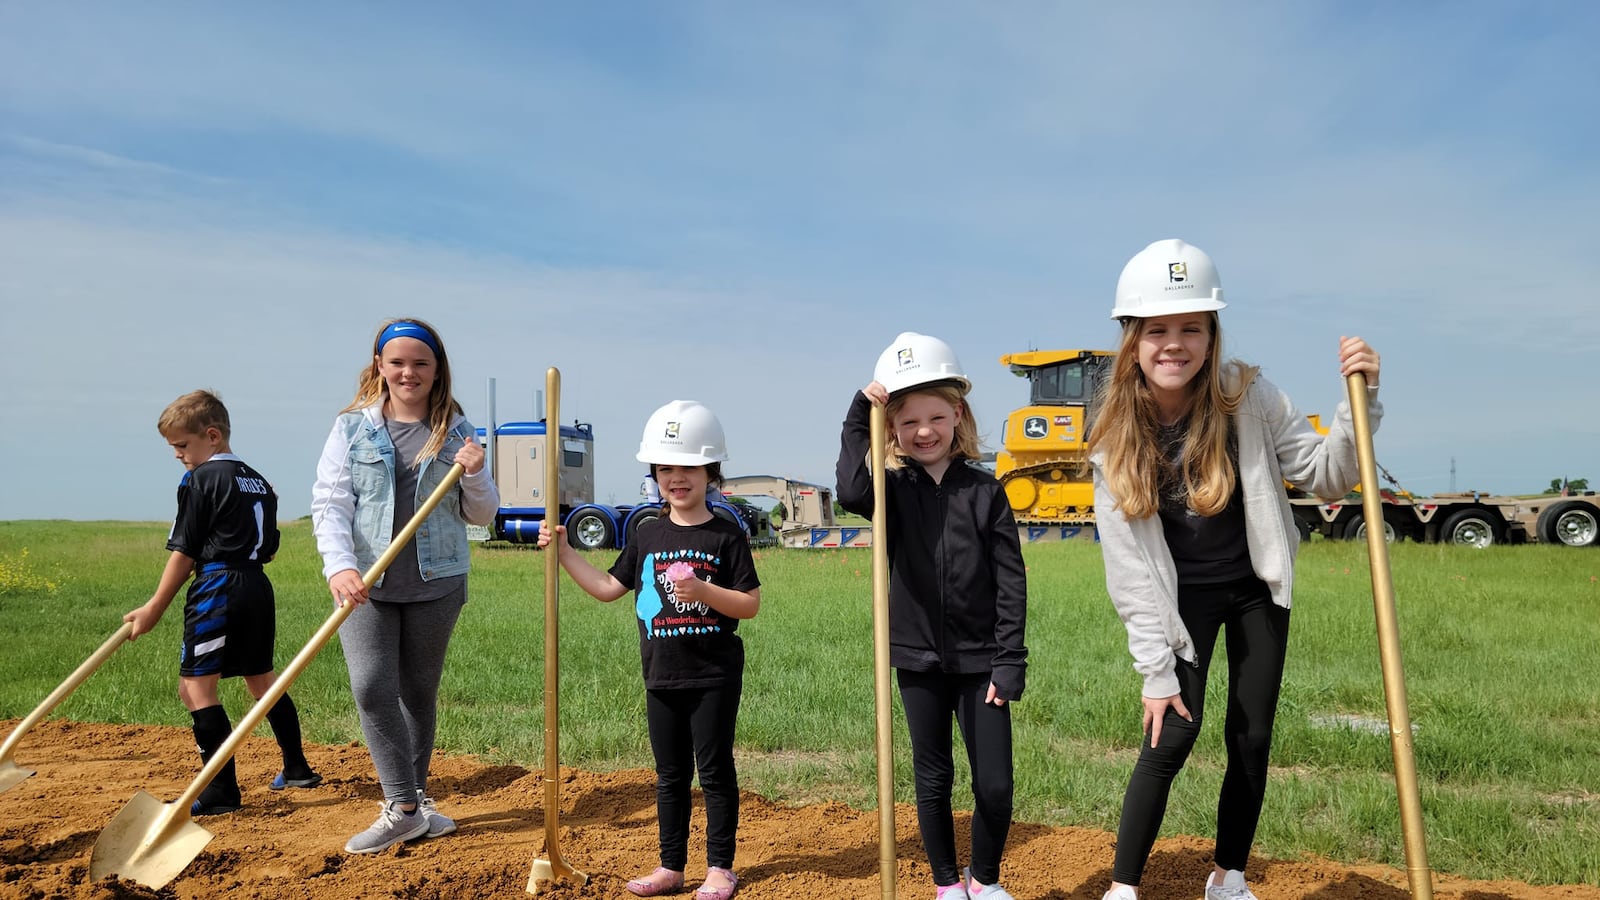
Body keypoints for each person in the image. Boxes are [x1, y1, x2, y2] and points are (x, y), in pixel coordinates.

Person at [1089, 240, 1382, 900]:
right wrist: (1154, 672)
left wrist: (1358, 401)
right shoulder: (1114, 436)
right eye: (1157, 330)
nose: (1174, 344)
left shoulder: (1249, 396)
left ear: (1211, 334)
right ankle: (1123, 889)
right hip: (1178, 601)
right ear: (1133, 340)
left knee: (1251, 737)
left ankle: (1228, 876)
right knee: (1170, 735)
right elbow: (1130, 573)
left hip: (1254, 593)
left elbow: (1328, 475)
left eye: (1190, 328)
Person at [538, 400, 760, 900]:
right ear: (654, 474)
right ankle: (671, 866)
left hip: (713, 675)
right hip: (661, 675)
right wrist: (565, 553)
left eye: (687, 467)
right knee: (669, 775)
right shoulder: (646, 532)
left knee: (716, 770)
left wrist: (704, 592)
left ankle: (721, 867)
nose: (676, 478)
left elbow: (749, 604)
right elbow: (608, 588)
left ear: (710, 471)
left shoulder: (726, 534)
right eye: (665, 469)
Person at [835, 333, 1028, 900]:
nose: (924, 431)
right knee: (933, 778)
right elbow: (849, 491)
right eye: (908, 420)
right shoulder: (892, 492)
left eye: (936, 417)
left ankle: (985, 881)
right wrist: (857, 417)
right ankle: (948, 884)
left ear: (958, 415)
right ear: (891, 429)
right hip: (917, 658)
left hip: (982, 662)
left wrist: (1009, 659)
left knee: (994, 785)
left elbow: (1011, 581)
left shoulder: (987, 491)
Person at [310, 318, 499, 854]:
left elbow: (482, 513)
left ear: (437, 370)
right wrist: (339, 567)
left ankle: (412, 802)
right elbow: (330, 503)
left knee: (418, 692)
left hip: (437, 582)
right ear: (379, 366)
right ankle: (404, 806)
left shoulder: (457, 429)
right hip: (366, 582)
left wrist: (476, 474)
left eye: (420, 362)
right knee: (372, 687)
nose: (408, 372)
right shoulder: (351, 427)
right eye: (397, 362)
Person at [124, 390, 320, 817]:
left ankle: (220, 792)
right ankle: (297, 767)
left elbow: (185, 550)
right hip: (256, 585)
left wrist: (154, 607)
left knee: (195, 687)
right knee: (261, 678)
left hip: (216, 586)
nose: (177, 455)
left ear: (211, 436)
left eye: (181, 445)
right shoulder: (259, 481)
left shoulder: (199, 480)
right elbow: (268, 547)